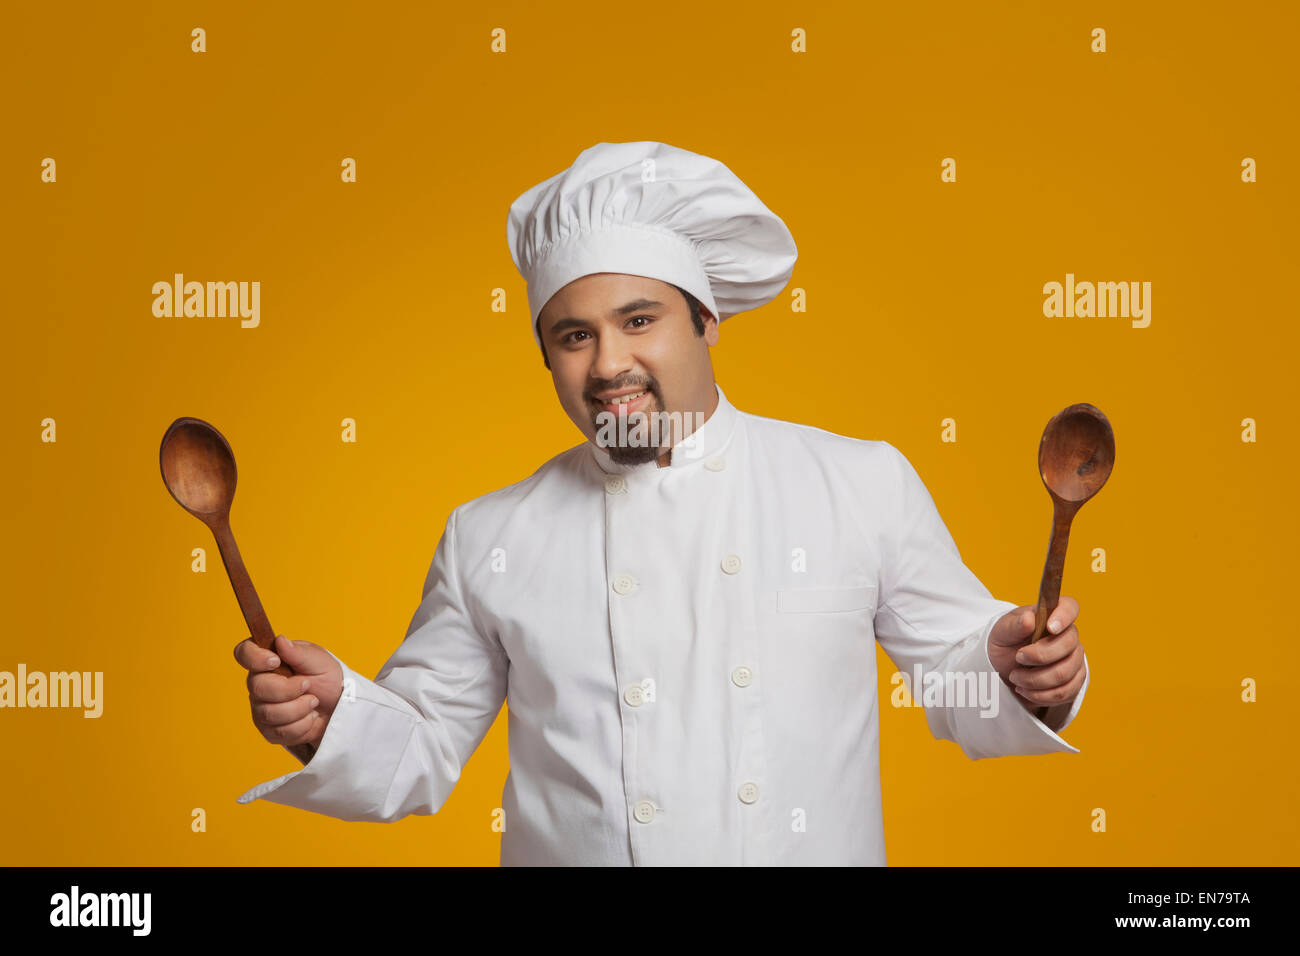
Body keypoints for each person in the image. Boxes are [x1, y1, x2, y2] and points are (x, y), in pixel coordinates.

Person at [233, 141, 1089, 865]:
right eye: (575, 335)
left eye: (639, 321)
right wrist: (330, 717)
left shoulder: (858, 483)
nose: (607, 365)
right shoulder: (488, 535)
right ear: (548, 356)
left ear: (707, 319)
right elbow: (420, 749)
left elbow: (956, 677)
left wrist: (1023, 677)